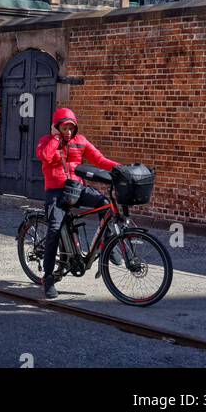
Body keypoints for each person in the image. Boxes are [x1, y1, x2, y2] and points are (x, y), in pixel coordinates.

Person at [35, 106, 119, 300]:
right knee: (54, 229)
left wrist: (121, 169)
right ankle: (48, 278)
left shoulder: (80, 141)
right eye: (64, 128)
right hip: (55, 191)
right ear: (57, 127)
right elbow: (45, 157)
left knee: (105, 204)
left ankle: (108, 245)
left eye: (72, 128)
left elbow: (99, 159)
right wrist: (55, 138)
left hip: (76, 188)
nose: (69, 131)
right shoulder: (46, 141)